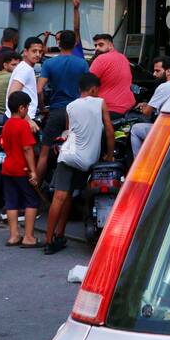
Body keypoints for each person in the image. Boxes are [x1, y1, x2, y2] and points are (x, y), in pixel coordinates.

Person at [44, 73, 114, 255]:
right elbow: (109, 130)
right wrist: (109, 155)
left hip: (68, 156)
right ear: (94, 89)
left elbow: (68, 132)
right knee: (75, 196)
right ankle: (64, 234)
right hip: (89, 159)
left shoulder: (70, 106)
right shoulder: (100, 103)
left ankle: (50, 240)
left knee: (60, 197)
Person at [35, 28, 89, 179]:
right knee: (78, 149)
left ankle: (36, 188)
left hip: (56, 111)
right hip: (76, 112)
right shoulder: (82, 64)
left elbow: (39, 90)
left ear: (58, 43)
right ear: (75, 43)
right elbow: (89, 90)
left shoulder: (50, 64)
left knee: (44, 152)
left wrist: (42, 108)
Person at [0, 91, 42, 248]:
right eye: (27, 107)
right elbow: (27, 149)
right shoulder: (23, 125)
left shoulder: (7, 124)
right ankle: (29, 237)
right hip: (21, 168)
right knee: (31, 200)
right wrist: (33, 171)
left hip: (8, 167)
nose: (28, 111)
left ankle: (13, 235)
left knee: (11, 202)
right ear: (21, 108)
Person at [130, 56, 170, 157]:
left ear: (168, 71)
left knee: (135, 129)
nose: (154, 74)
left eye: (157, 71)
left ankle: (138, 163)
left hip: (166, 130)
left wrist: (144, 108)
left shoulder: (163, 87)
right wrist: (147, 105)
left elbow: (147, 113)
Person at [89, 33, 135, 115]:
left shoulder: (101, 59)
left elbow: (87, 85)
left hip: (108, 109)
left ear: (110, 45)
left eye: (101, 45)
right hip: (127, 108)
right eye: (95, 45)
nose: (97, 48)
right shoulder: (123, 57)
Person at [6, 36, 45, 116]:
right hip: (22, 118)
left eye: (40, 51)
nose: (38, 54)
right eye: (34, 51)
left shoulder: (25, 67)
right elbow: (12, 94)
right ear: (25, 52)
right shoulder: (25, 69)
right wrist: (27, 118)